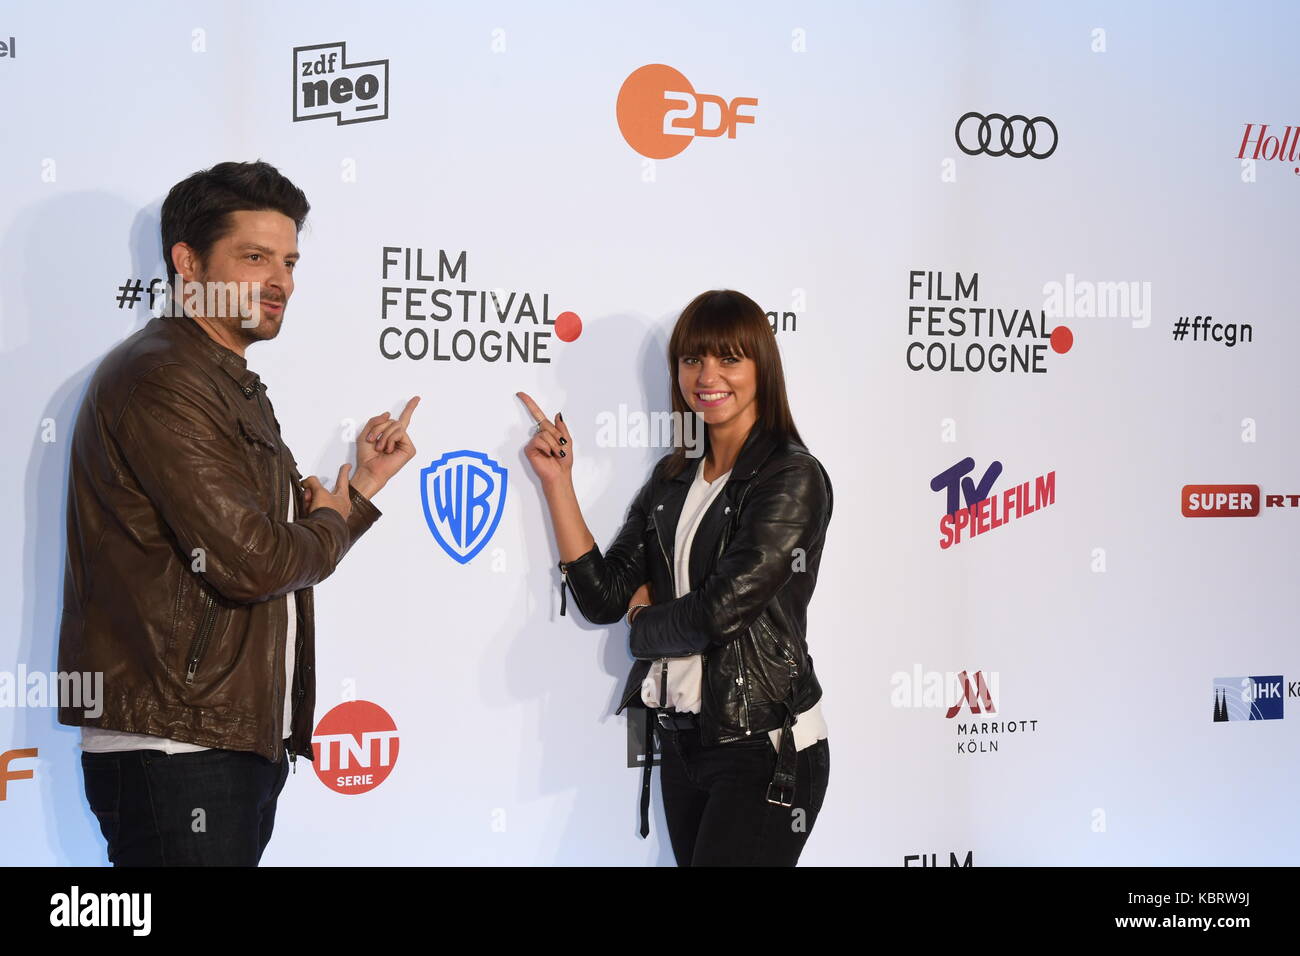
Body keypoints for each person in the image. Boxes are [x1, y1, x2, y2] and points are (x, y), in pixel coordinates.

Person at [58, 160, 420, 866]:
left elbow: (260, 549)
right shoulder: (165, 378)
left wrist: (357, 492)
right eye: (254, 257)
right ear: (187, 263)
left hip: (215, 739)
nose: (279, 281)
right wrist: (333, 521)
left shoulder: (223, 380)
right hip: (178, 744)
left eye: (287, 260)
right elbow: (254, 561)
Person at [519, 288, 833, 866]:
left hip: (762, 744)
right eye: (693, 359)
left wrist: (643, 625)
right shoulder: (673, 479)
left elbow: (718, 613)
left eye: (729, 358)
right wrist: (558, 482)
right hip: (686, 739)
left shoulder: (791, 476)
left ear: (762, 367)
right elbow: (602, 595)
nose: (707, 375)